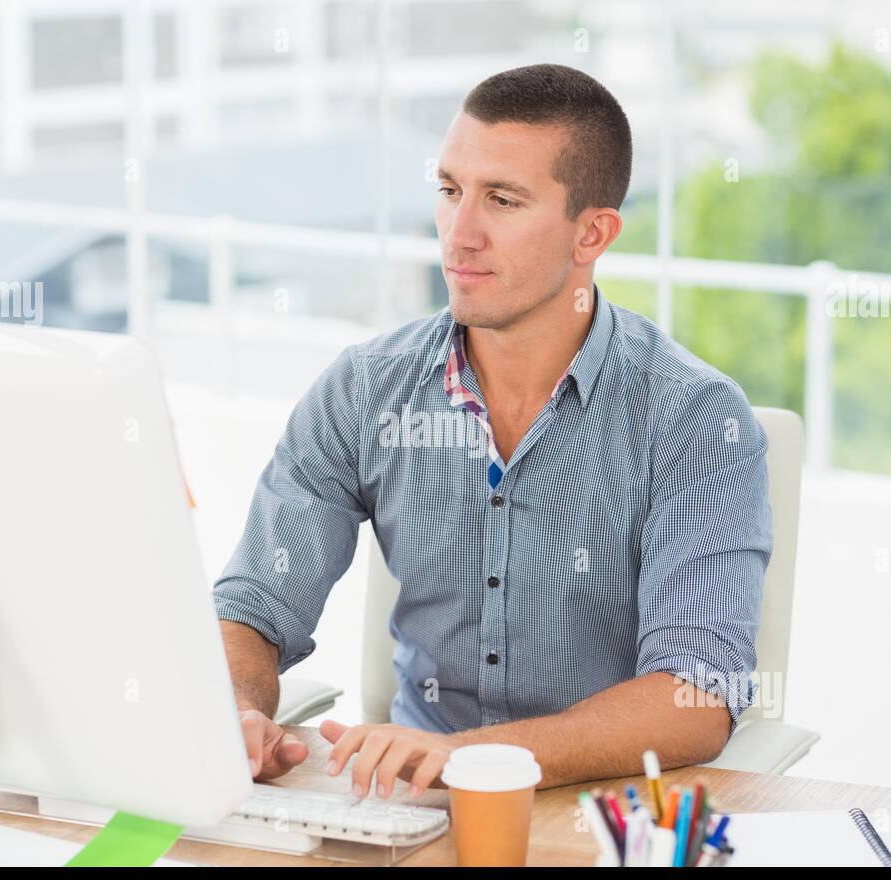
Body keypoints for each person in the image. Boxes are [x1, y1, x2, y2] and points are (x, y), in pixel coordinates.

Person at [212, 63, 773, 801]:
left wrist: (468, 758)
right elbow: (253, 605)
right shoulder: (365, 389)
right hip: (409, 807)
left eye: (502, 200)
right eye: (450, 191)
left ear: (592, 233)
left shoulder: (694, 419)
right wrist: (240, 708)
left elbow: (694, 695)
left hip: (601, 812)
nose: (459, 233)